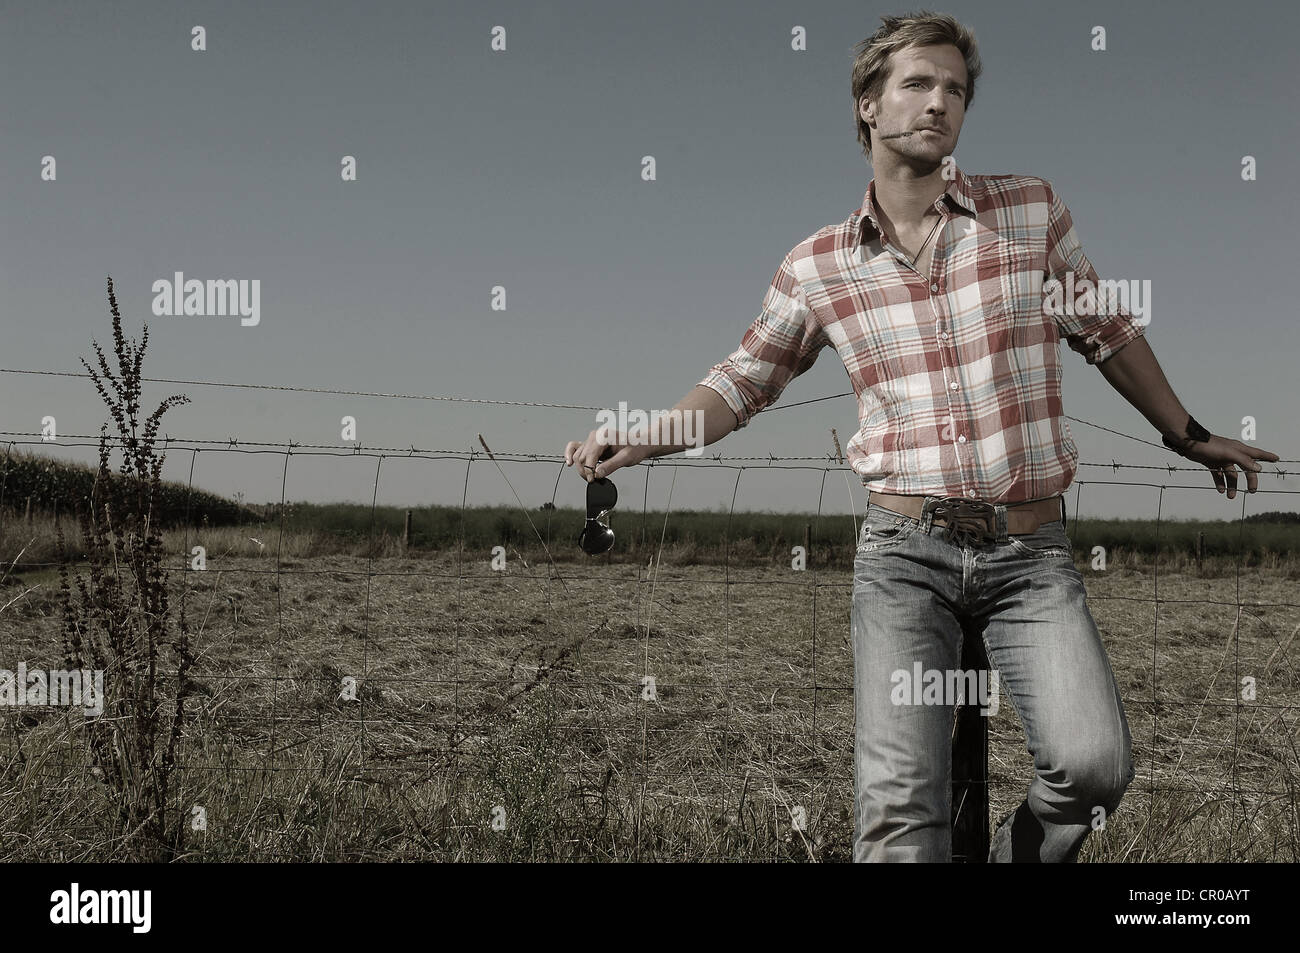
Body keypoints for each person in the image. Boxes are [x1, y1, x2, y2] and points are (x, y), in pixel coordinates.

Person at [563, 10, 1279, 862]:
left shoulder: (1028, 211)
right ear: (868, 103)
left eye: (956, 90)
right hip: (904, 553)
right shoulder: (819, 263)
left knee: (1093, 766)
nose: (939, 103)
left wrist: (1188, 433)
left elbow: (1109, 331)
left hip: (1032, 554)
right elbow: (743, 381)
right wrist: (642, 436)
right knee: (903, 812)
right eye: (917, 83)